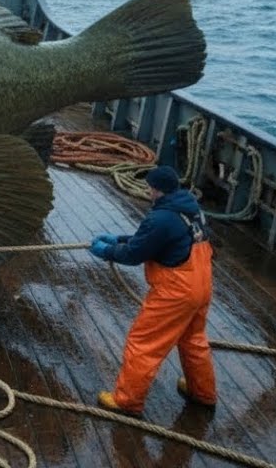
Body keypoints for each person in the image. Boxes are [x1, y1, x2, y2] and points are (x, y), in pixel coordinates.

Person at [88, 165, 217, 417]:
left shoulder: (161, 218)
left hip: (176, 292)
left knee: (144, 343)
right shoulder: (192, 209)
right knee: (194, 340)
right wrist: (121, 238)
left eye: (150, 188)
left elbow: (135, 254)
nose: (148, 192)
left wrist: (107, 251)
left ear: (157, 191)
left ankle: (126, 401)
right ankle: (203, 392)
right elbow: (159, 239)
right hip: (202, 284)